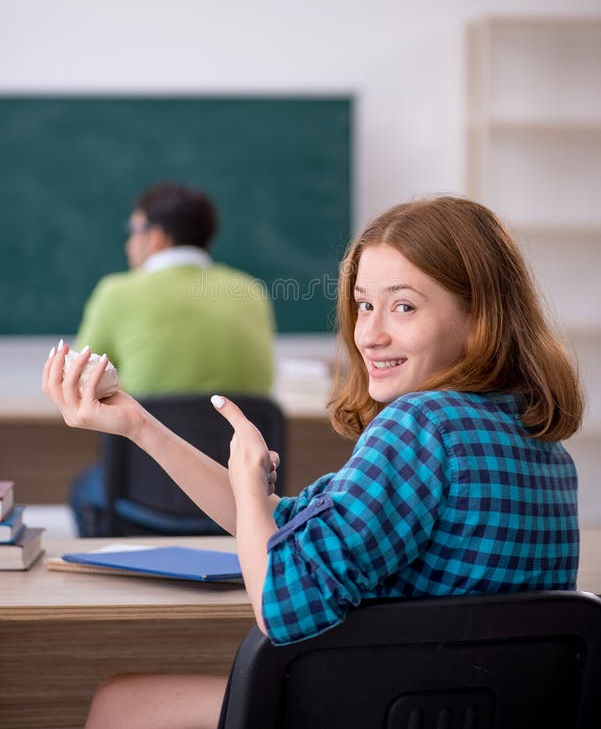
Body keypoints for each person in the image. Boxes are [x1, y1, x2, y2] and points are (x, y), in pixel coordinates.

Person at [43, 195, 582, 729]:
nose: (369, 334)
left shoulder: (419, 425)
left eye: (404, 307)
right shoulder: (544, 448)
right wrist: (140, 425)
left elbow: (282, 605)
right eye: (364, 305)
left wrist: (249, 487)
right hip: (466, 710)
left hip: (382, 707)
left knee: (119, 701)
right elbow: (278, 527)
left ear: (479, 315)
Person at [69, 181, 276, 535]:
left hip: (144, 491)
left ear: (156, 236)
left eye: (133, 230)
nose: (128, 243)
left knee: (82, 489)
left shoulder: (116, 293)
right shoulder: (250, 292)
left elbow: (78, 380)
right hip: (240, 499)